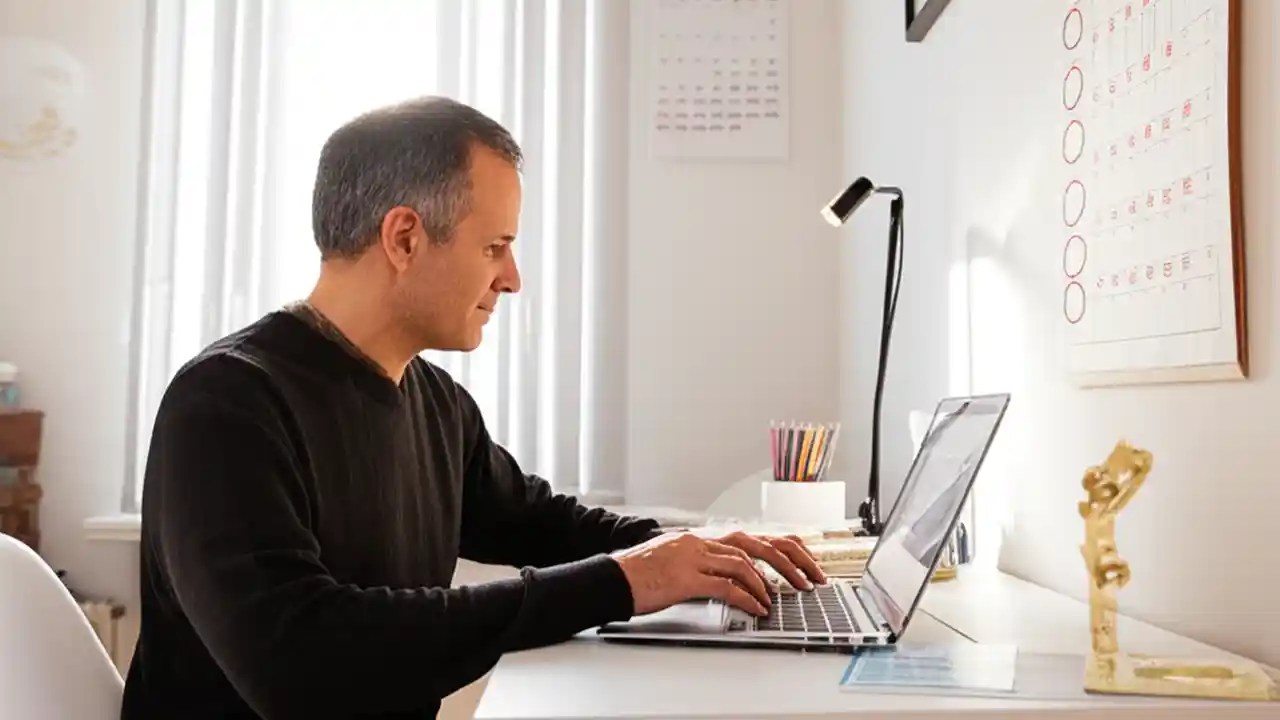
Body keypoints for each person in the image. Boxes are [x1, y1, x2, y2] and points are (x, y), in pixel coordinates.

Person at [120, 96, 826, 719]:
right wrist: (623, 581)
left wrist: (698, 553)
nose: (511, 280)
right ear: (404, 238)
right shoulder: (226, 404)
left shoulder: (435, 403)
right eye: (495, 247)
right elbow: (299, 664)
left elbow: (544, 526)